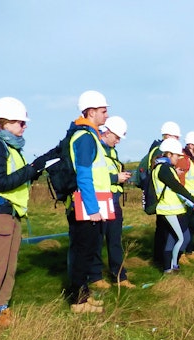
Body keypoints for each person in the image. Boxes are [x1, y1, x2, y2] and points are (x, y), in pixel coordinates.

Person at [0, 97, 50, 333]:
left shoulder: (11, 147)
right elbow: (2, 182)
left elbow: (16, 178)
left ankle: (1, 308)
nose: (24, 127)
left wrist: (36, 168)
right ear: (3, 122)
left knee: (8, 265)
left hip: (10, 212)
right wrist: (32, 169)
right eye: (20, 122)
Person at [66, 90, 112, 313]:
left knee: (86, 251)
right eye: (103, 111)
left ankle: (84, 295)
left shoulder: (89, 135)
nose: (106, 115)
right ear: (91, 112)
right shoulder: (85, 137)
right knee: (82, 253)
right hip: (85, 208)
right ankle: (78, 301)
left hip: (91, 206)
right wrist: (93, 208)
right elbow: (84, 174)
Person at [95, 116, 134, 289]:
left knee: (115, 240)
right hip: (99, 200)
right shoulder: (96, 148)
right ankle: (95, 277)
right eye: (117, 137)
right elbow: (93, 174)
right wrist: (115, 178)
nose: (118, 141)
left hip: (114, 201)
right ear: (107, 132)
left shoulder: (112, 151)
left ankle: (120, 276)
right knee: (96, 240)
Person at [152, 138, 194, 273]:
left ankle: (172, 266)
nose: (178, 158)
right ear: (169, 154)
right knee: (181, 238)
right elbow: (176, 187)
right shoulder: (163, 169)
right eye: (176, 156)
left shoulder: (167, 168)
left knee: (178, 238)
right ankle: (171, 267)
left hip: (175, 209)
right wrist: (192, 200)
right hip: (168, 210)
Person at [148, 121, 181, 268]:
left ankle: (164, 262)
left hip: (167, 204)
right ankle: (163, 262)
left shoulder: (159, 154)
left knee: (167, 235)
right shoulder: (159, 156)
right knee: (164, 234)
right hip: (165, 204)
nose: (178, 140)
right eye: (175, 137)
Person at [178, 131, 194, 263]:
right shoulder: (183, 160)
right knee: (184, 229)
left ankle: (189, 251)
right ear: (191, 145)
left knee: (192, 228)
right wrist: (189, 200)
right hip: (186, 202)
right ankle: (181, 254)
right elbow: (180, 183)